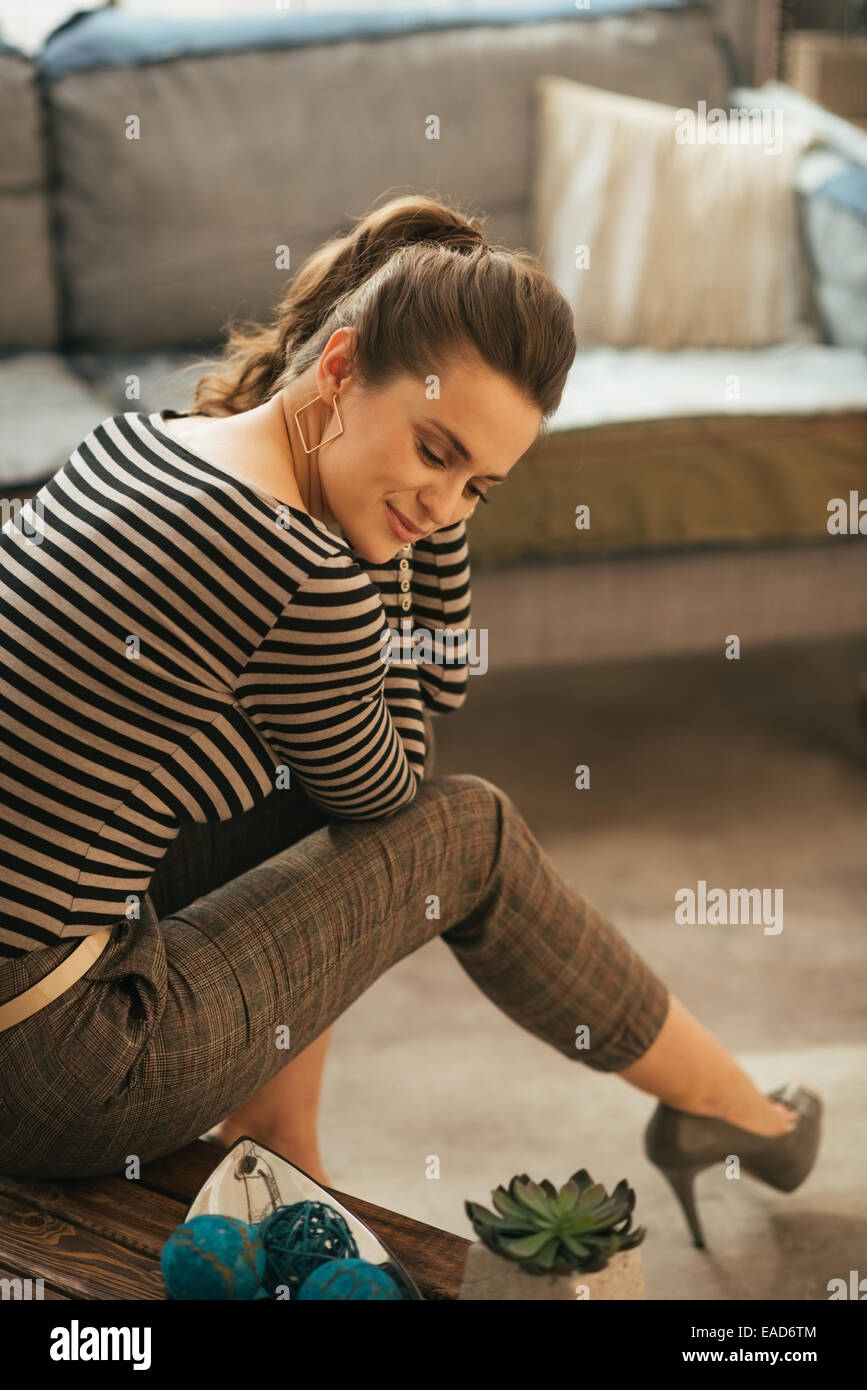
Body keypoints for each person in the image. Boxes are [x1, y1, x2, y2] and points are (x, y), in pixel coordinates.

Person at [0, 193, 819, 1248]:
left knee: (305, 783)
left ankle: (281, 1140)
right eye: (435, 451)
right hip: (54, 1071)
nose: (446, 505)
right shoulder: (296, 572)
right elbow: (402, 789)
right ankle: (740, 1113)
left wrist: (413, 496)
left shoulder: (145, 442)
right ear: (339, 368)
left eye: (482, 487)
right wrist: (417, 549)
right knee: (466, 828)